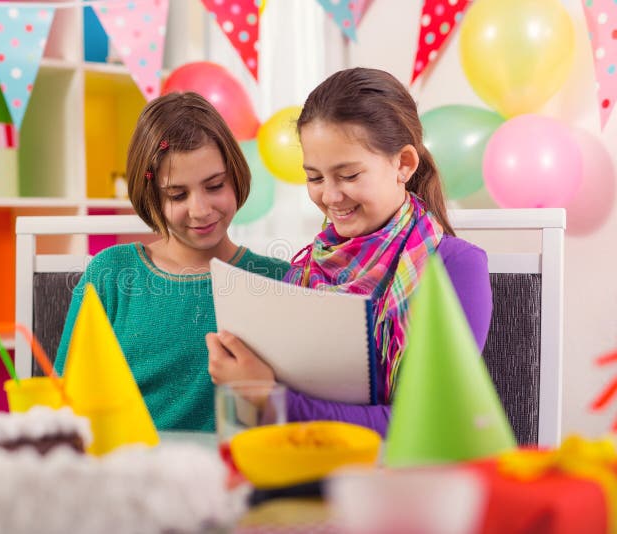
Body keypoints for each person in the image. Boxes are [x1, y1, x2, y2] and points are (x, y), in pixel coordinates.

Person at [207, 68, 493, 436]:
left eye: (349, 175)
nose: (329, 196)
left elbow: (429, 427)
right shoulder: (307, 269)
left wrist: (270, 397)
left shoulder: (456, 266)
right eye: (315, 177)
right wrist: (242, 382)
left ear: (403, 164)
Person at [55, 92, 289, 431]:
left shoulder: (278, 279)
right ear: (151, 198)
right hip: (138, 473)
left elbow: (298, 414)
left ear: (235, 176)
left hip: (238, 471)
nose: (201, 209)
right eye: (177, 195)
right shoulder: (112, 274)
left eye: (215, 185)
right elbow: (68, 401)